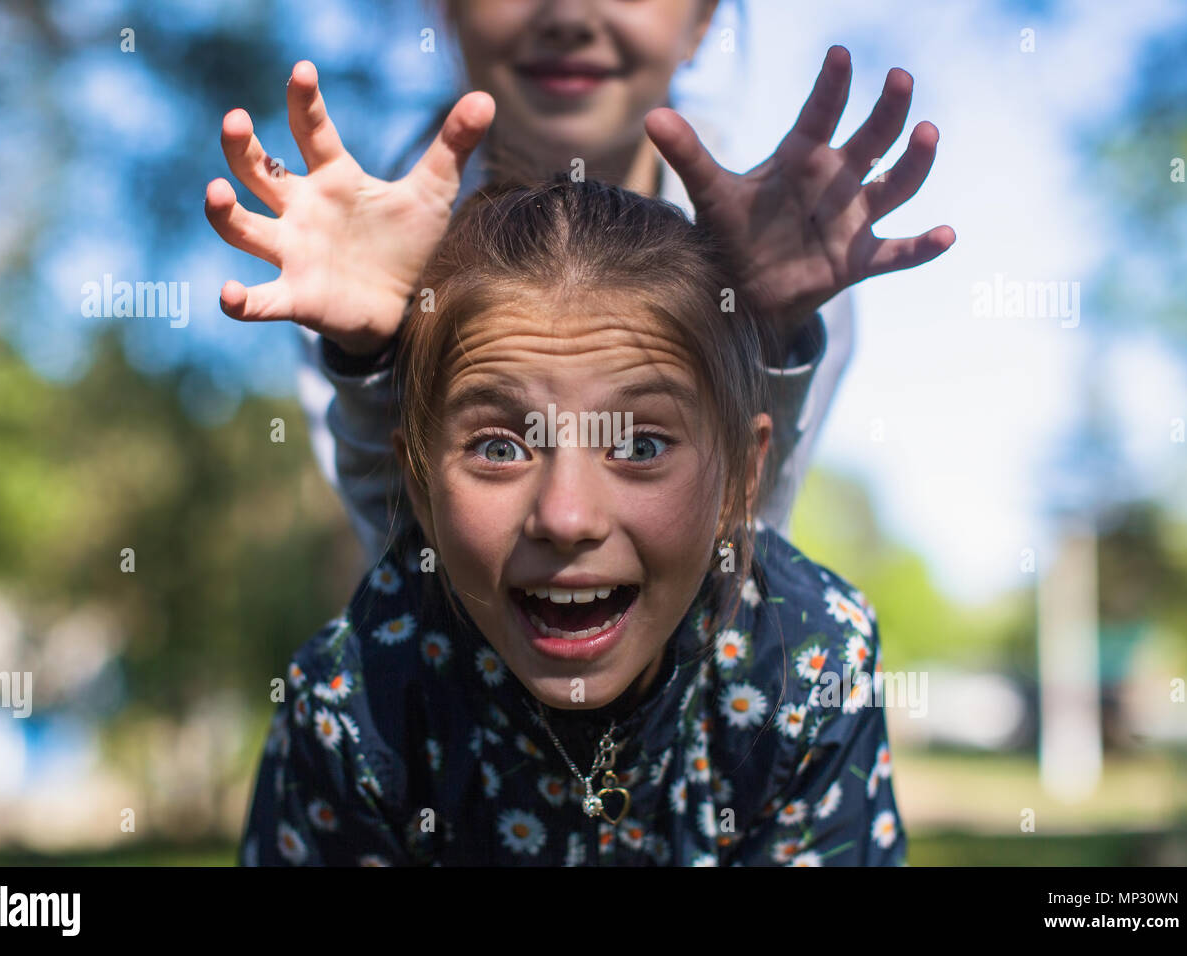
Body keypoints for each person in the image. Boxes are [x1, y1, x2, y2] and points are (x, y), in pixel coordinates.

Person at [240, 175, 905, 865]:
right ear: (421, 483)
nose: (566, 517)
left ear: (740, 477)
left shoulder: (808, 663)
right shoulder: (354, 706)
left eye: (640, 446)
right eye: (500, 448)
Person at [203, 0, 954, 563]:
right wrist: (370, 357)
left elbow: (740, 567)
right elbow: (403, 567)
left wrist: (769, 336)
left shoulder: (788, 257)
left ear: (704, 21)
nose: (567, 14)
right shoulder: (351, 250)